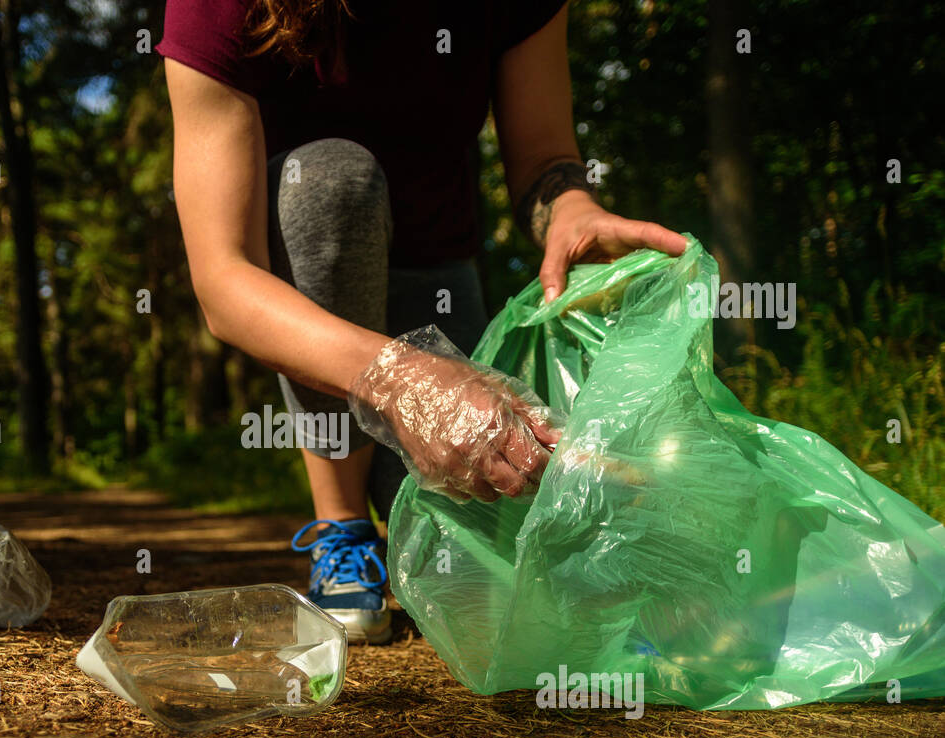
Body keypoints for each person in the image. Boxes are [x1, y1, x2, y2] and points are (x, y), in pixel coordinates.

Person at [157, 0, 686, 642]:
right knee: (329, 179)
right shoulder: (217, 7)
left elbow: (546, 158)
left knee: (490, 543)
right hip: (309, 294)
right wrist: (402, 382)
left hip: (437, 275)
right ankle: (342, 524)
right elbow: (224, 280)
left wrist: (570, 210)